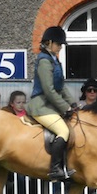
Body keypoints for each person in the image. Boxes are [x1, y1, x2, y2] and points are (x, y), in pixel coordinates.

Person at [26, 25, 77, 182]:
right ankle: (55, 169)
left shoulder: (54, 60)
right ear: (49, 43)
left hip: (51, 106)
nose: (60, 47)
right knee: (63, 131)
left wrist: (73, 104)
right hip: (41, 105)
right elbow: (48, 90)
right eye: (58, 44)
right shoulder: (44, 61)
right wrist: (65, 107)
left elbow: (61, 86)